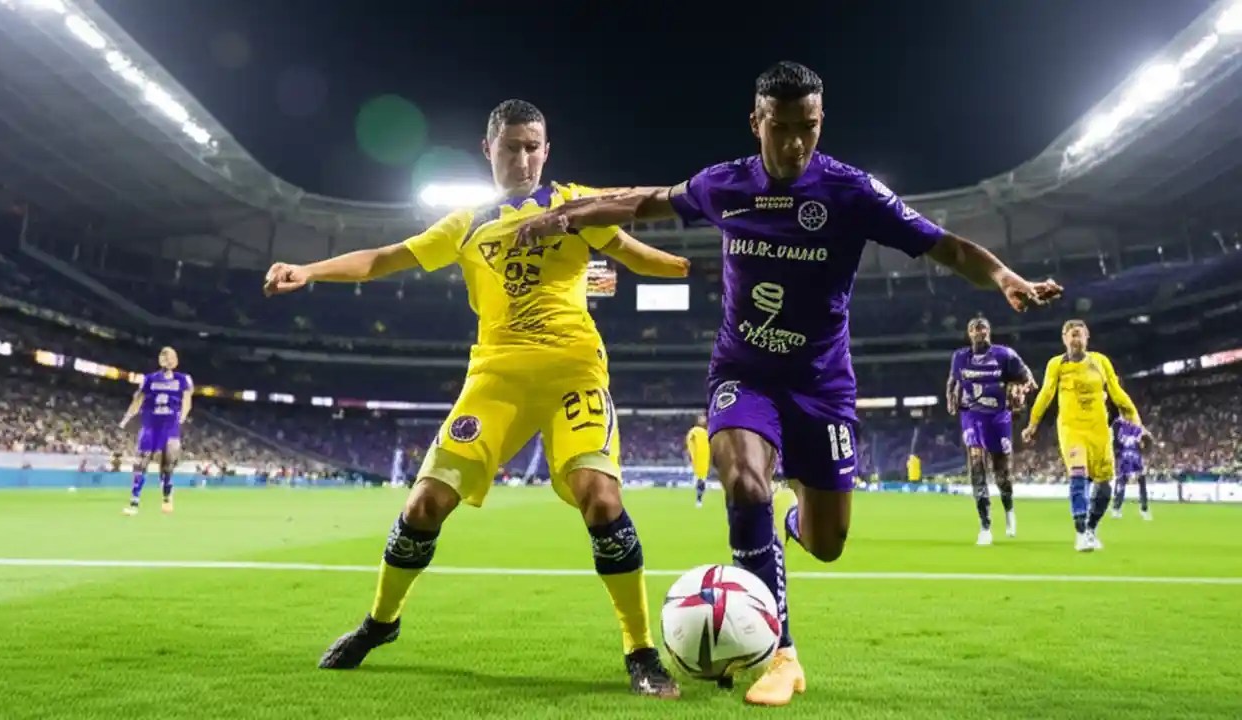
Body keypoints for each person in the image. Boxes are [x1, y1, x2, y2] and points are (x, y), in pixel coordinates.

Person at [515, 61, 1062, 706]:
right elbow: (647, 200)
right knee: (745, 484)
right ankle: (782, 653)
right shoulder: (727, 185)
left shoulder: (851, 192)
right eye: (783, 127)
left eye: (810, 127)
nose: (798, 142)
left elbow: (943, 245)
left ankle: (797, 521)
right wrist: (569, 215)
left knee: (827, 543)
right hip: (742, 373)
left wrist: (1004, 279)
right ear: (757, 123)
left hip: (823, 386)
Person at [263, 99, 687, 698]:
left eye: (533, 145)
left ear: (547, 149)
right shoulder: (463, 223)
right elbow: (383, 260)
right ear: (488, 150)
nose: (523, 157)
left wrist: (715, 264)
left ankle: (640, 650)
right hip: (495, 379)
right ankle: (380, 623)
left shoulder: (577, 205)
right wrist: (308, 269)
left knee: (601, 498)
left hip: (575, 374)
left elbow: (650, 262)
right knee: (423, 507)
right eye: (511, 146)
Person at [1023, 320, 1141, 551]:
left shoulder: (1100, 361)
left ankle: (1091, 528)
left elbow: (1116, 392)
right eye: (1071, 335)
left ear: (1087, 337)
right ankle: (1079, 533)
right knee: (1078, 473)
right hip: (1071, 428)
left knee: (1105, 482)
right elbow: (1046, 394)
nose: (1075, 339)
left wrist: (1136, 420)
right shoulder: (1056, 364)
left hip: (1098, 429)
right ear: (1064, 339)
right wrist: (1032, 424)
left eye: (1080, 335)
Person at [946, 317, 1035, 545]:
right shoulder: (960, 357)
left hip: (997, 416)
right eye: (975, 329)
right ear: (969, 334)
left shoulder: (1005, 355)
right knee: (976, 466)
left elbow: (1029, 380)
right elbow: (952, 381)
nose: (980, 332)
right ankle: (985, 526)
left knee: (1001, 472)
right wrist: (950, 399)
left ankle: (1009, 509)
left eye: (983, 328)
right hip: (971, 415)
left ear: (989, 332)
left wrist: (1019, 392)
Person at [119, 346, 192, 515]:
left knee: (167, 464)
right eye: (165, 356)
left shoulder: (183, 379)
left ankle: (167, 496)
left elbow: (187, 401)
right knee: (141, 462)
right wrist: (127, 418)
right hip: (150, 425)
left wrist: (182, 417)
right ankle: (134, 503)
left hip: (170, 426)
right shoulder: (149, 379)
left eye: (172, 356)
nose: (168, 359)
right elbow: (138, 400)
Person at [1111, 418, 1154, 520]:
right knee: (1121, 484)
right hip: (1125, 459)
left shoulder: (1137, 427)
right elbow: (1116, 442)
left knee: (1141, 483)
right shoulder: (1120, 426)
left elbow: (1147, 440)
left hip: (1135, 459)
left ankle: (1144, 509)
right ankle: (1116, 508)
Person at [685, 415, 710, 507]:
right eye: (701, 418)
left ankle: (699, 498)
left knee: (702, 480)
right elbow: (689, 440)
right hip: (697, 459)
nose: (703, 420)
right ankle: (698, 500)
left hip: (705, 459)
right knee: (700, 480)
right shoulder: (695, 431)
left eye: (704, 419)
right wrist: (691, 453)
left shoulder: (707, 432)